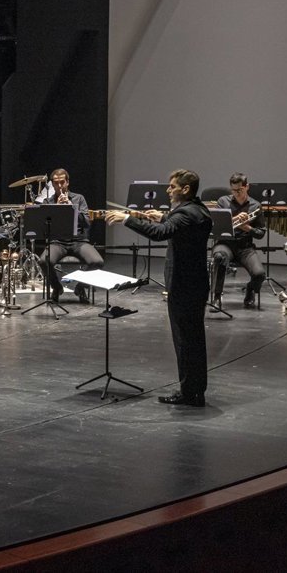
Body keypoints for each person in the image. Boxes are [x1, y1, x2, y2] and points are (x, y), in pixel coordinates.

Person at [108, 169, 211, 407]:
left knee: (185, 341)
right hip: (194, 284)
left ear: (185, 189)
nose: (168, 190)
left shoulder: (185, 213)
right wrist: (163, 217)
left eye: (172, 186)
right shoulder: (198, 209)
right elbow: (176, 226)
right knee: (194, 340)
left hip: (185, 286)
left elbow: (160, 234)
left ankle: (190, 394)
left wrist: (127, 219)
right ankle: (195, 391)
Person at [34, 168, 103, 303]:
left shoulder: (79, 198)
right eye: (56, 183)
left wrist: (72, 207)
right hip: (58, 242)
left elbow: (87, 223)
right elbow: (44, 228)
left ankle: (80, 286)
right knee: (43, 261)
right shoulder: (48, 202)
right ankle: (57, 287)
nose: (59, 186)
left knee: (97, 262)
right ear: (52, 185)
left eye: (62, 182)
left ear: (67, 182)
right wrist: (57, 210)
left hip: (79, 241)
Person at [211, 173, 266, 309]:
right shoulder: (223, 201)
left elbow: (260, 233)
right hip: (225, 244)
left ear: (247, 187)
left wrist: (246, 227)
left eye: (239, 190)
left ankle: (250, 289)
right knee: (219, 257)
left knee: (259, 274)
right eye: (233, 190)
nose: (236, 193)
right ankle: (217, 297)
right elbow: (216, 226)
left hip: (245, 247)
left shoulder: (256, 205)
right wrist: (235, 219)